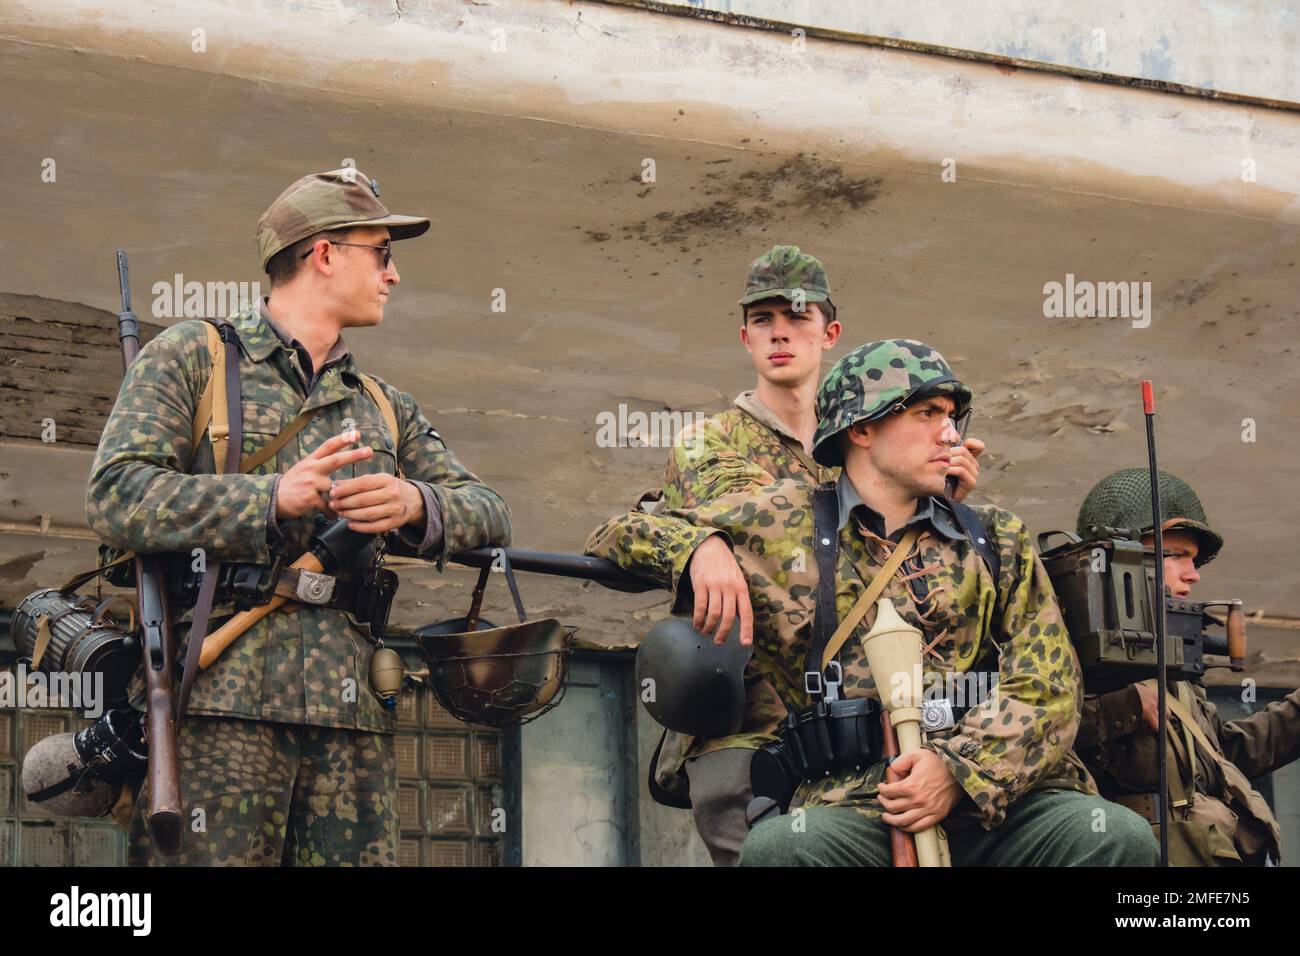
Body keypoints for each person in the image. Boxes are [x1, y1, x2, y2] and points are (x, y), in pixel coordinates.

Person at [589, 339, 1157, 866]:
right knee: (780, 852)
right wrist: (698, 546)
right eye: (926, 415)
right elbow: (616, 533)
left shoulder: (996, 537)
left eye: (952, 417)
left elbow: (1049, 688)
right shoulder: (781, 521)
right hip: (855, 799)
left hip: (999, 802)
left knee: (1117, 837)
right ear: (861, 430)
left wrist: (957, 771)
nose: (950, 435)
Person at [87, 168, 511, 865]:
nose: (394, 275)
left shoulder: (381, 404)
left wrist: (416, 504)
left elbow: (492, 513)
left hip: (351, 717)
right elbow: (115, 494)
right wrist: (268, 498)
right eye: (382, 253)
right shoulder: (196, 358)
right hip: (217, 700)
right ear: (324, 253)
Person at [603, 246, 984, 865]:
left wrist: (941, 506)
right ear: (745, 336)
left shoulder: (878, 442)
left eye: (798, 316)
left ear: (830, 332)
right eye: (763, 318)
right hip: (754, 720)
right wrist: (696, 545)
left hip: (871, 722)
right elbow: (633, 529)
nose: (781, 330)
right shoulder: (712, 444)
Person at [1075, 468, 1300, 865]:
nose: (1192, 575)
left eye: (1193, 560)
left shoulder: (1171, 661)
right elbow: (1036, 747)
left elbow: (1220, 759)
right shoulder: (1067, 645)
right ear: (1119, 557)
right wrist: (1125, 708)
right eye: (1175, 556)